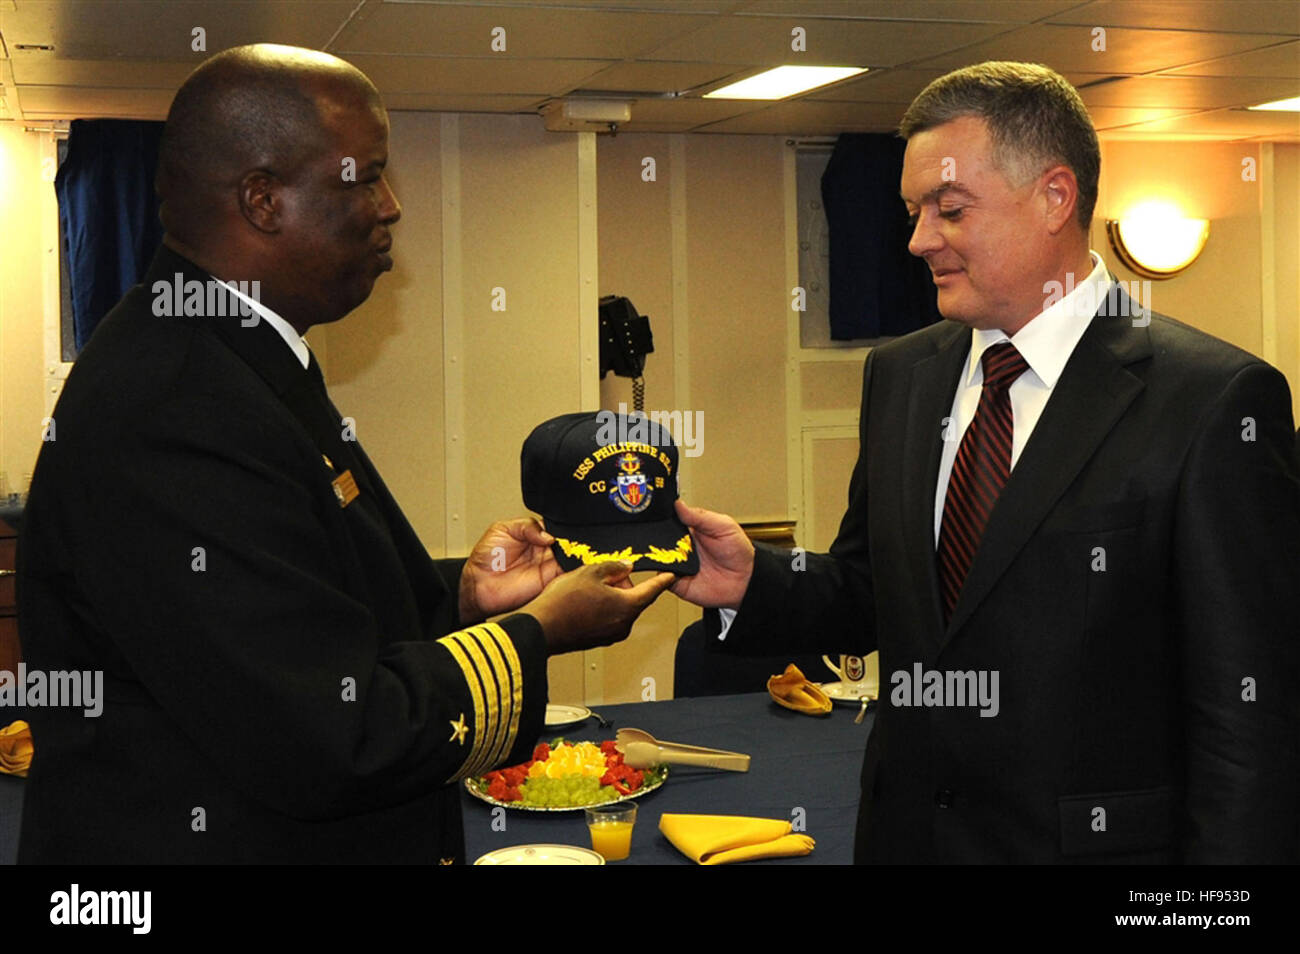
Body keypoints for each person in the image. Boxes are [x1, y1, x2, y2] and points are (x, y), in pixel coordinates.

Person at [16, 44, 673, 864]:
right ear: (263, 201)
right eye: (364, 177)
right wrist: (535, 634)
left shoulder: (239, 353)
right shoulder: (174, 401)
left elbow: (305, 601)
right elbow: (329, 732)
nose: (391, 206)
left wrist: (466, 599)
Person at [673, 61, 1300, 863]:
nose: (917, 239)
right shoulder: (902, 375)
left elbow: (1249, 720)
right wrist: (754, 581)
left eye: (949, 210)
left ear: (1054, 198)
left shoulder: (1212, 400)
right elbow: (878, 592)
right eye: (913, 211)